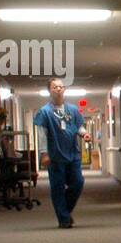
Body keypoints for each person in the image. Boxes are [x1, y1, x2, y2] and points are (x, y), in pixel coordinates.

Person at [33, 78, 90, 228]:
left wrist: (84, 134)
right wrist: (44, 153)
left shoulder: (73, 110)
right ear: (49, 91)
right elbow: (42, 134)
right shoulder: (44, 112)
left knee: (77, 183)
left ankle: (64, 210)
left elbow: (78, 126)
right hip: (55, 156)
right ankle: (64, 219)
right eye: (54, 87)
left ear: (64, 89)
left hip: (73, 154)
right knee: (57, 188)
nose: (58, 89)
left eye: (61, 87)